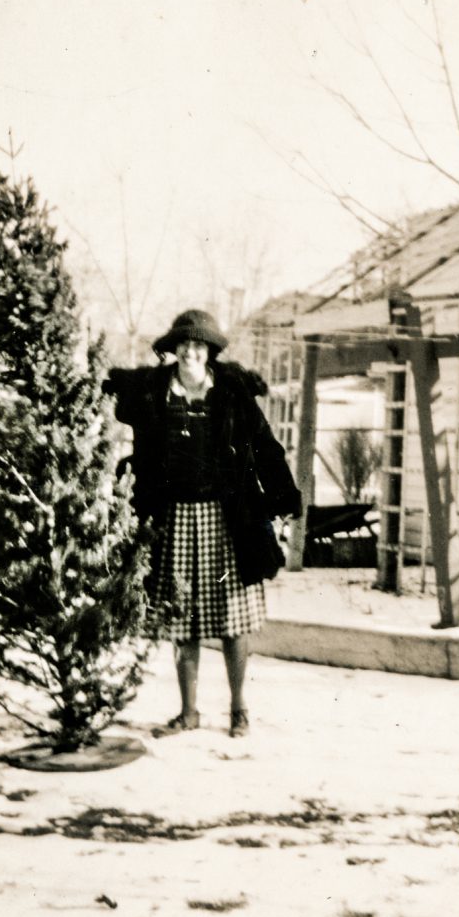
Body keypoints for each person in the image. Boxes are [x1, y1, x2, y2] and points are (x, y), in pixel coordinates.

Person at [104, 308, 301, 737]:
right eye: (184, 344)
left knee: (233, 618)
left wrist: (284, 498)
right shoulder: (153, 396)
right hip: (172, 517)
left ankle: (238, 709)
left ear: (209, 352)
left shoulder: (232, 396)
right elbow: (116, 392)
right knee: (181, 617)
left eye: (199, 345)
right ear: (173, 350)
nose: (191, 352)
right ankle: (189, 711)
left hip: (228, 519)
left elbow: (267, 448)